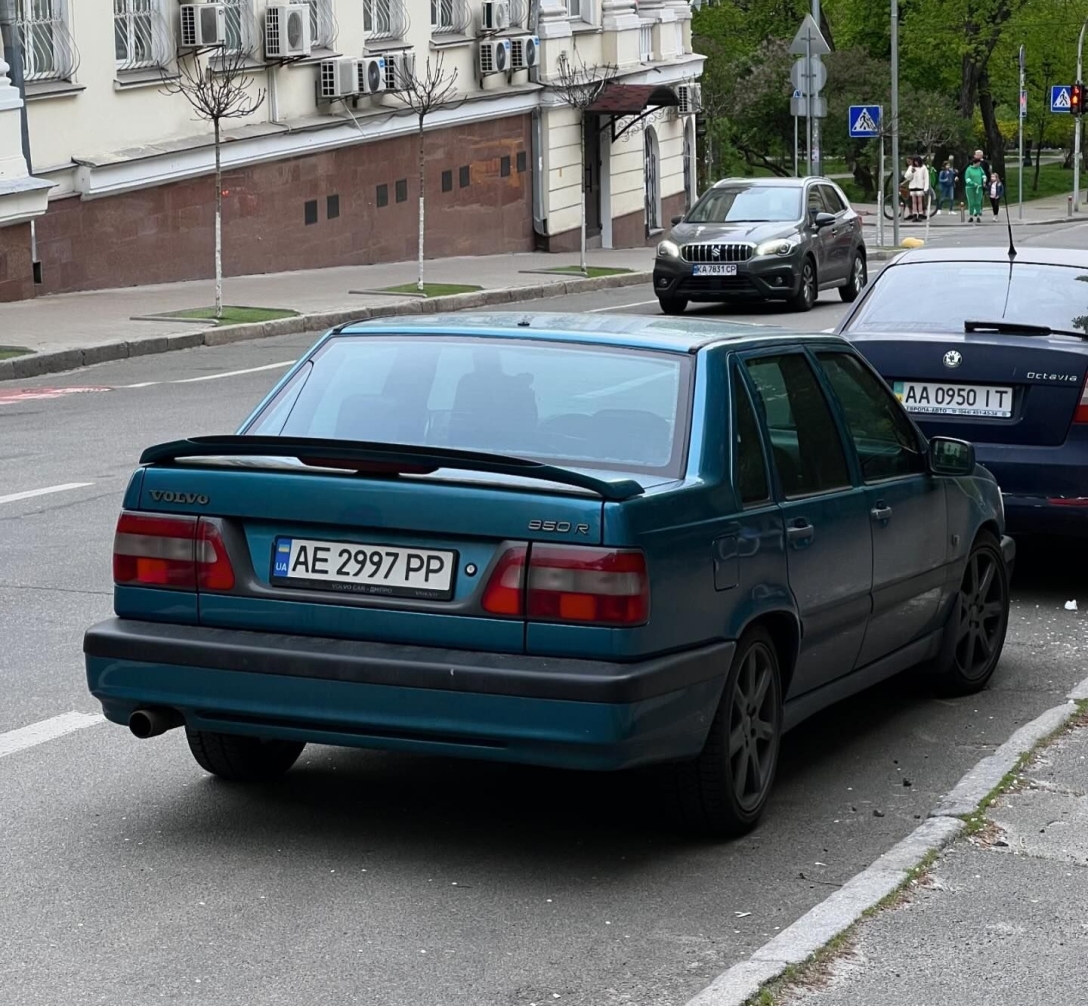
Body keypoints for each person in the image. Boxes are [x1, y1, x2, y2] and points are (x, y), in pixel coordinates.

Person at [964, 154, 986, 222]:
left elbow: (983, 174)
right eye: (978, 163)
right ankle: (971, 216)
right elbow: (967, 179)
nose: (979, 165)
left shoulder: (980, 169)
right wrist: (973, 183)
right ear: (974, 163)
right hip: (970, 188)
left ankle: (978, 216)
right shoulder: (969, 169)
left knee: (978, 202)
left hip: (979, 188)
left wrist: (984, 179)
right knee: (971, 202)